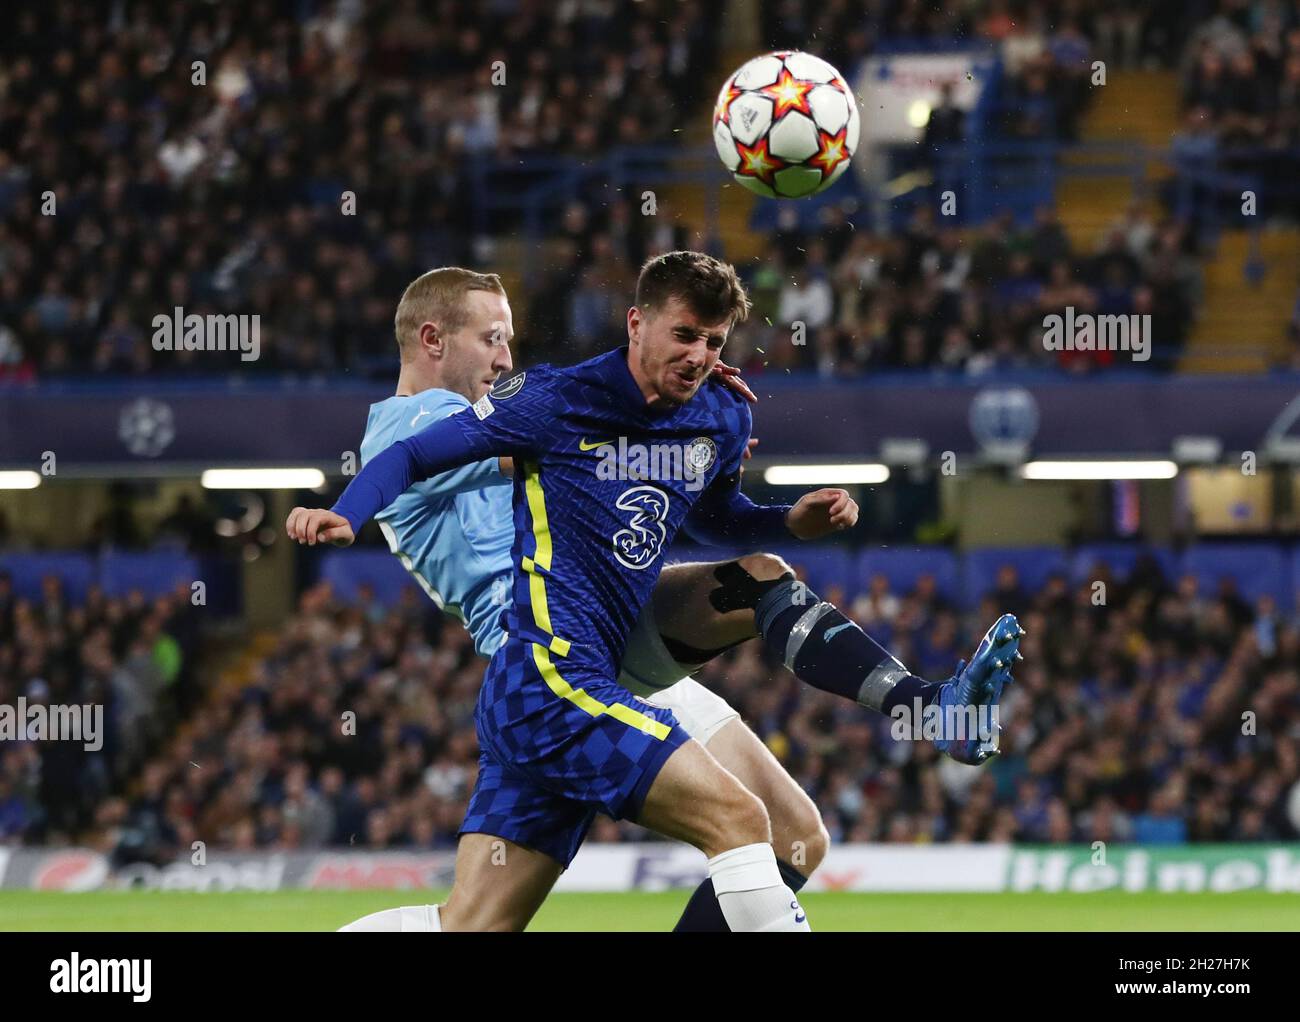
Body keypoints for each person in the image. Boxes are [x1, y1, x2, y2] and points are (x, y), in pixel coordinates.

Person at [288, 252, 1021, 932]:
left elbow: (609, 445)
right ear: (432, 338)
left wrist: (686, 424)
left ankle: (931, 709)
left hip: (613, 627)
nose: (507, 357)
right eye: (491, 339)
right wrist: (666, 427)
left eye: (509, 339)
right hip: (550, 651)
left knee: (793, 833)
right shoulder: (410, 426)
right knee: (740, 828)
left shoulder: (553, 404)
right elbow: (561, 435)